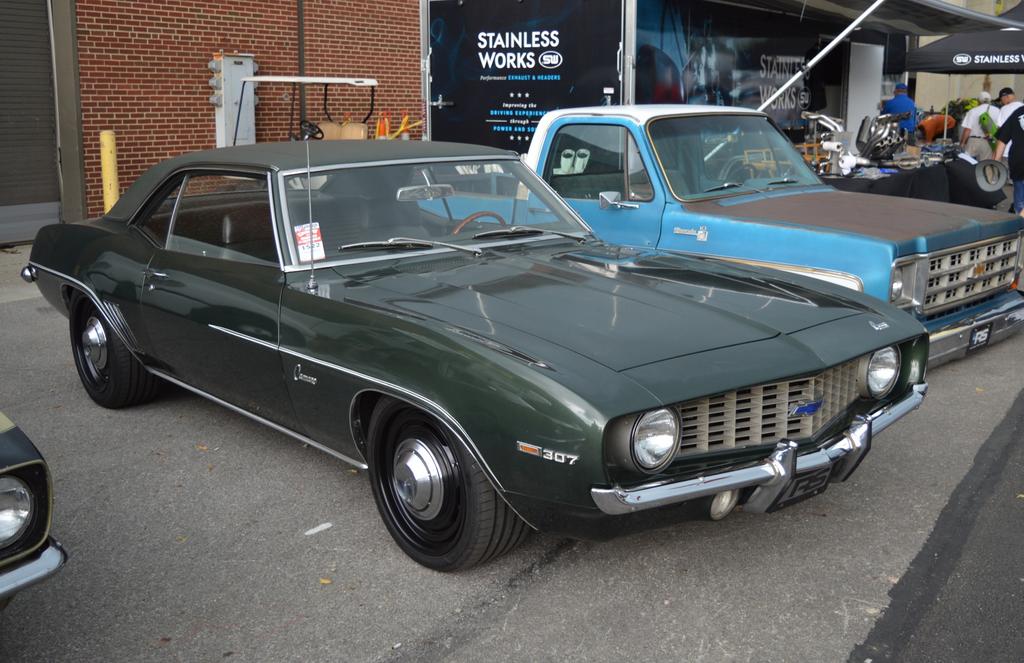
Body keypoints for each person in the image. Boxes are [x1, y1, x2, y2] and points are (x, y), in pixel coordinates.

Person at [994, 98, 1024, 214]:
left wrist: (995, 163)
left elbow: (1002, 139)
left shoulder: (1018, 112)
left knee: (1020, 197)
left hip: (1018, 159)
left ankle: (1019, 224)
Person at [959, 91, 997, 160]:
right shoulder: (997, 111)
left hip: (973, 141)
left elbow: (967, 129)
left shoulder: (973, 111)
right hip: (988, 141)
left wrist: (962, 143)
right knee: (985, 166)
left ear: (978, 101)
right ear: (990, 100)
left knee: (968, 163)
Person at [997, 87, 1023, 160]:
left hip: (1007, 150)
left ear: (1006, 97)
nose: (1001, 102)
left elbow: (1000, 131)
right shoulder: (1022, 106)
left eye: (1001, 99)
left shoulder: (1003, 109)